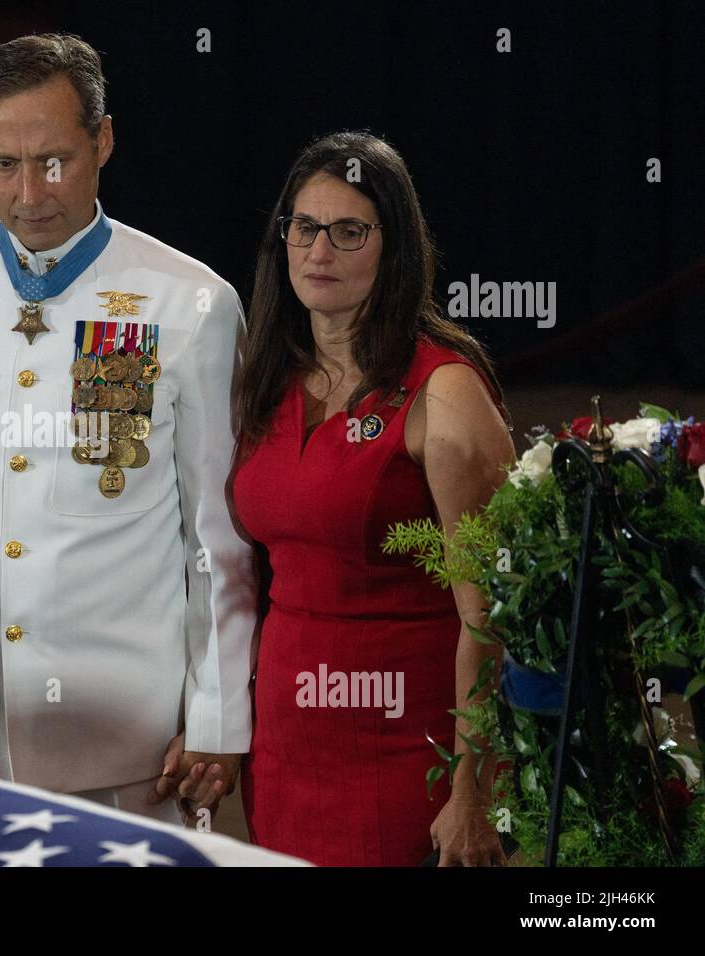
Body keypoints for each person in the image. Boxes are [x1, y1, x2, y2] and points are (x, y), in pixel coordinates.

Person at [0, 33, 257, 824]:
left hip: (127, 750)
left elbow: (217, 538)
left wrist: (215, 718)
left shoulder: (189, 304)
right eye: (5, 164)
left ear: (103, 140)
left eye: (55, 160)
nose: (30, 192)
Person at [232, 131, 516, 865]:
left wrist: (473, 790)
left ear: (396, 248)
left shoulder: (444, 392)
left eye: (349, 231)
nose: (318, 250)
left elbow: (494, 618)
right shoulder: (267, 380)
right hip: (285, 756)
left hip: (406, 757)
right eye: (303, 227)